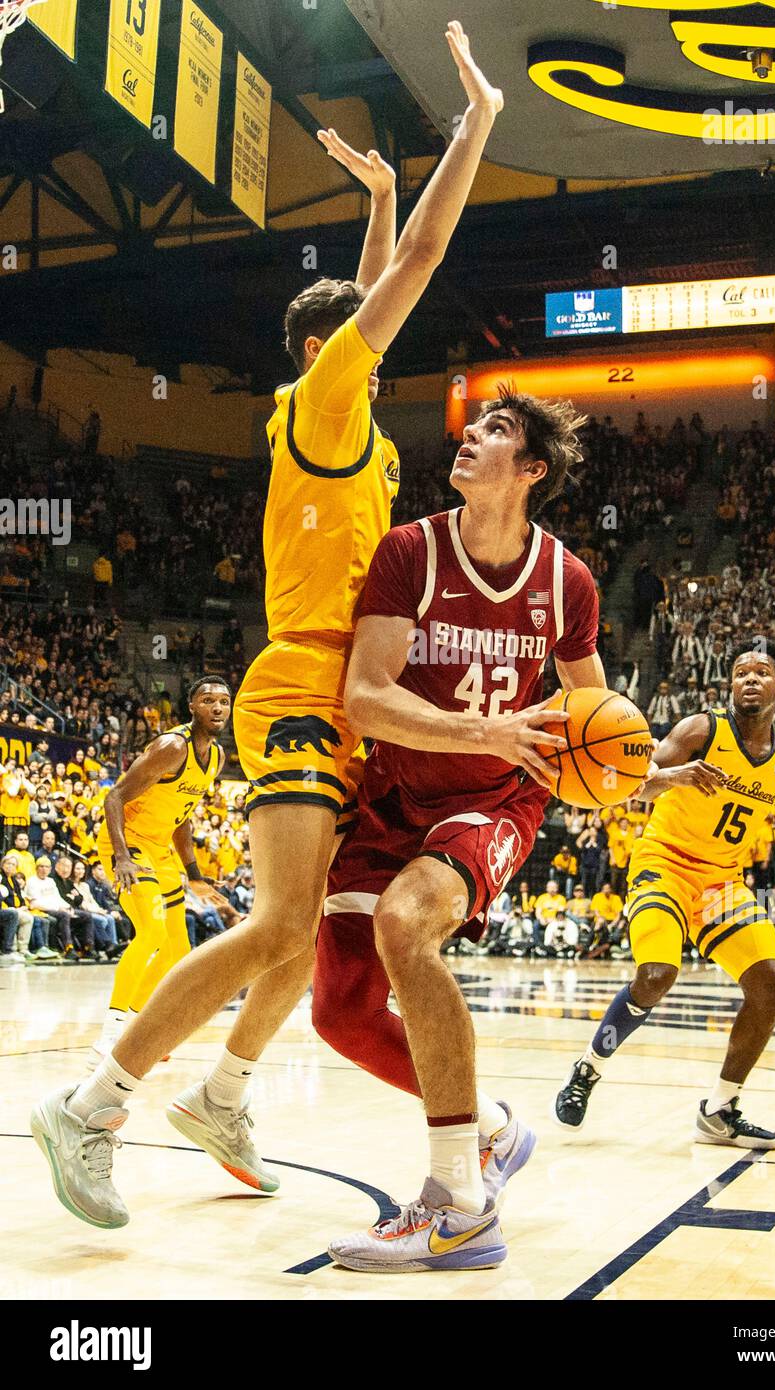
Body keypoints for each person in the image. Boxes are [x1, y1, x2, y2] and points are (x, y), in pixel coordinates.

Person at [32, 21, 505, 1232]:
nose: (378, 343)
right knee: (280, 924)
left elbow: (373, 283)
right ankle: (94, 1103)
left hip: (339, 696)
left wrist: (382, 191)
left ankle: (225, 1093)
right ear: (320, 347)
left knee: (300, 944)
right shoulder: (329, 393)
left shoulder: (335, 417)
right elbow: (417, 269)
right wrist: (468, 134)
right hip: (299, 680)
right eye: (354, 331)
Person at [312, 384, 602, 1272]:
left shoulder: (568, 581)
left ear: (531, 471)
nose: (471, 436)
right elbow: (365, 697)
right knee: (342, 1014)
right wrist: (488, 728)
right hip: (393, 793)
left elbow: (593, 714)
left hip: (494, 799)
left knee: (407, 924)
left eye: (497, 431)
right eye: (474, 426)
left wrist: (635, 771)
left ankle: (457, 1205)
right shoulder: (412, 551)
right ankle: (493, 1129)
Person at [554, 639, 775, 1148]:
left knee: (771, 982)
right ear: (730, 685)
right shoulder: (701, 730)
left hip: (721, 882)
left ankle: (720, 1109)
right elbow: (634, 784)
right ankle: (589, 1068)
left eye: (761, 672)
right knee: (657, 974)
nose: (750, 678)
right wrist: (674, 775)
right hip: (663, 865)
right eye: (741, 672)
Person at [80, 679, 230, 1057]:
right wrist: (122, 856)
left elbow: (181, 818)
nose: (217, 707)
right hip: (127, 841)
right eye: (207, 700)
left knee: (178, 947)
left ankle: (136, 1025)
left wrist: (193, 872)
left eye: (224, 701)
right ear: (192, 706)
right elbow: (114, 796)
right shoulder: (171, 747)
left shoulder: (217, 758)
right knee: (151, 931)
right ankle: (111, 1033)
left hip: (160, 850)